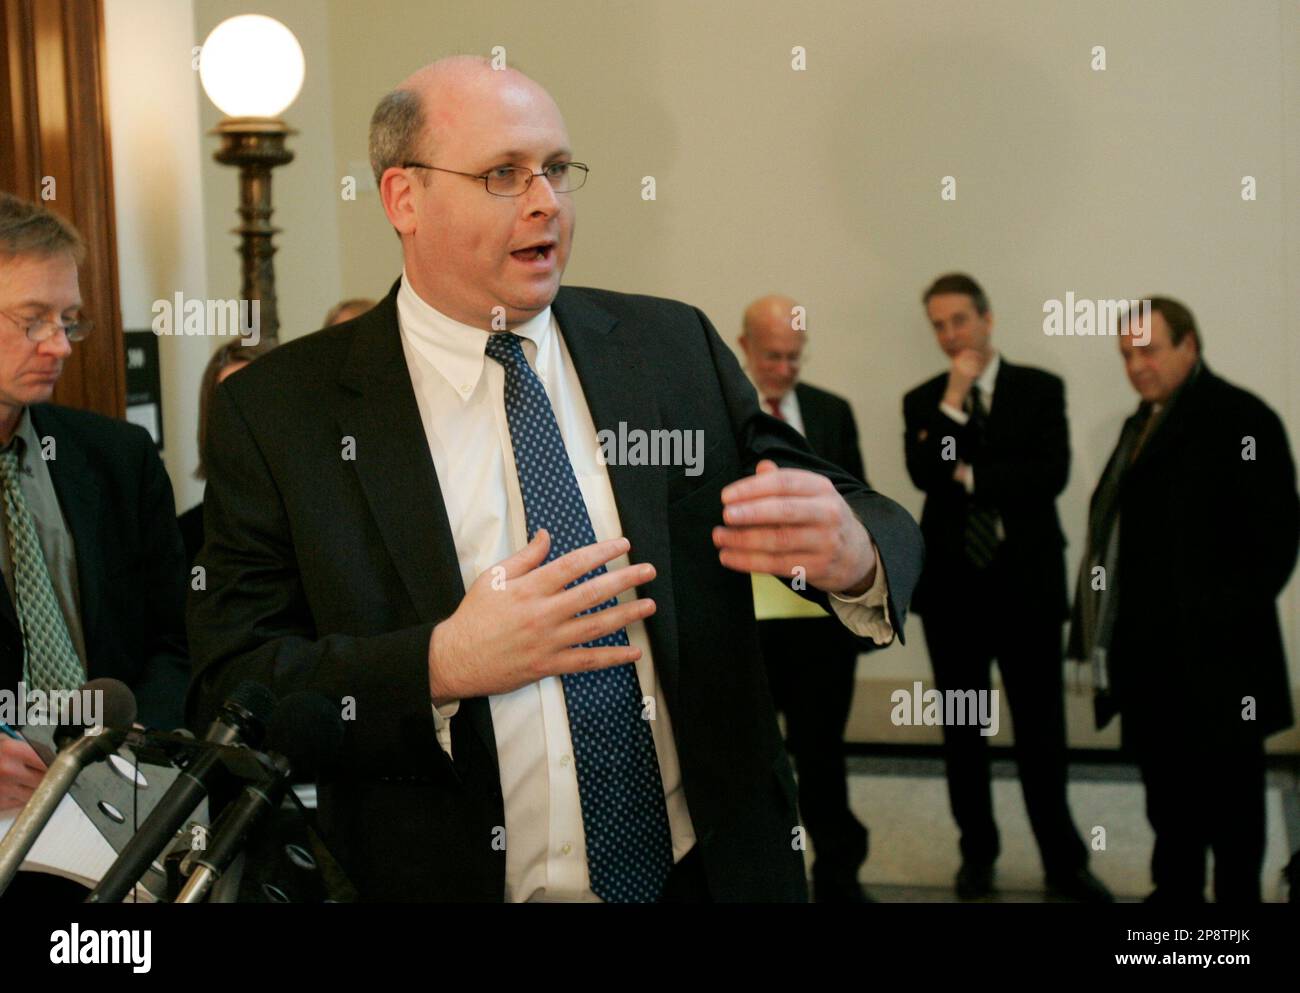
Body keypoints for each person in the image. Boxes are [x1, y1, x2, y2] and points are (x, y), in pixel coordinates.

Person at [187, 56, 923, 903]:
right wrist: (440, 661)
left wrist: (853, 548)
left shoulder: (667, 347)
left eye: (557, 170)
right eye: (503, 174)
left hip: (712, 874)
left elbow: (858, 509)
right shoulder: (286, 413)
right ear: (404, 199)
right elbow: (235, 684)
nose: (547, 203)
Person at [1068, 297, 1298, 903]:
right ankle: (1175, 905)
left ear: (1189, 346)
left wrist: (1206, 619)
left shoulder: (1242, 419)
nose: (1136, 366)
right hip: (1152, 665)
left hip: (1223, 668)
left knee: (1233, 814)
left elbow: (1275, 545)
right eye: (1126, 355)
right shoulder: (1140, 423)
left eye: (1149, 350)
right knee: (1168, 805)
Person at [902, 273, 1109, 902]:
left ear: (988, 320)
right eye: (938, 324)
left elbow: (1049, 475)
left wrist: (966, 475)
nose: (949, 335)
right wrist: (956, 398)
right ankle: (977, 854)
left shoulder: (1039, 389)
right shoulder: (926, 401)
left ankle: (1063, 861)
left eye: (959, 320)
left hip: (1027, 591)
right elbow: (925, 473)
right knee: (964, 733)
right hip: (953, 595)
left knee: (1041, 732)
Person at [0, 193, 189, 816]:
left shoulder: (117, 458)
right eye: (33, 320)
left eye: (70, 320)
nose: (61, 346)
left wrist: (131, 747)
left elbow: (177, 639)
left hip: (119, 806)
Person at [738, 293, 872, 902]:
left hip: (819, 626)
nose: (786, 368)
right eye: (774, 356)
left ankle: (839, 878)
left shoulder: (831, 412)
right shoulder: (722, 412)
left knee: (823, 760)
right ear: (745, 349)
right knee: (751, 766)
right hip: (746, 625)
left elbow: (860, 505)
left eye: (795, 357)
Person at [178, 339, 275, 566]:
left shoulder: (314, 528)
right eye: (229, 409)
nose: (244, 423)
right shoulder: (184, 539)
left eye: (256, 403)